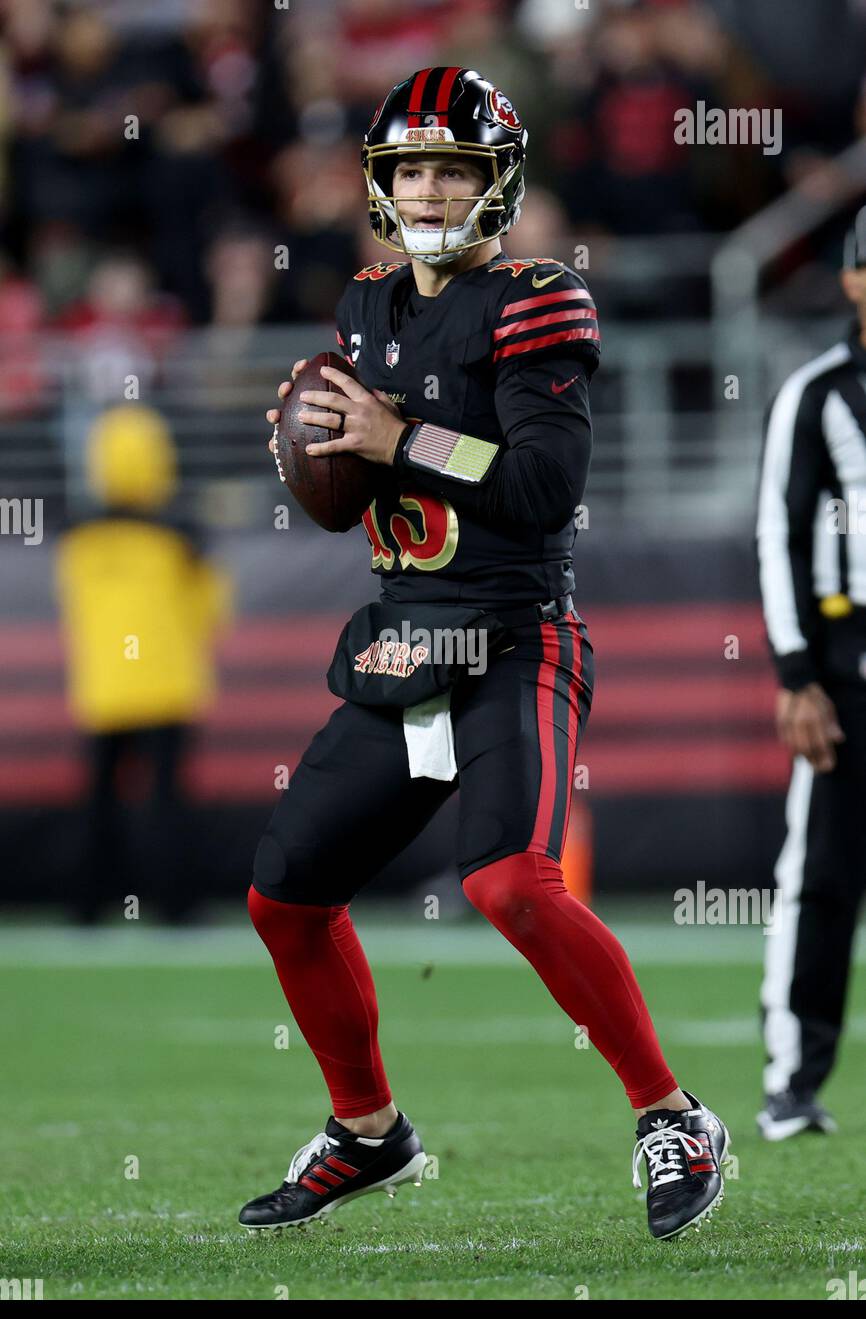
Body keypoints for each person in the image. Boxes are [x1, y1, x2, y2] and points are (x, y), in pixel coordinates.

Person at [241, 67, 729, 1239]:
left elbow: (545, 486)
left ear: (494, 180)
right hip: (406, 641)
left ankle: (671, 1114)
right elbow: (348, 481)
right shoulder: (360, 303)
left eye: (452, 167)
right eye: (410, 167)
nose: (428, 187)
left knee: (509, 880)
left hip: (514, 636)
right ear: (378, 181)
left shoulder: (537, 296)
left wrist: (395, 435)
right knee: (283, 899)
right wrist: (317, 456)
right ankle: (367, 1132)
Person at [755, 208, 866, 1140]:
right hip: (848, 664)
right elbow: (778, 535)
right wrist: (797, 673)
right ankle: (792, 1080)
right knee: (822, 876)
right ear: (852, 279)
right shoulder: (819, 392)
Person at [56, 403, 231, 923]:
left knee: (99, 803)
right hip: (167, 684)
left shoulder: (78, 535)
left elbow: (73, 608)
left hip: (104, 687)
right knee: (166, 802)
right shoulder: (182, 535)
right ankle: (176, 908)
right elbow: (213, 606)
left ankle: (87, 908)